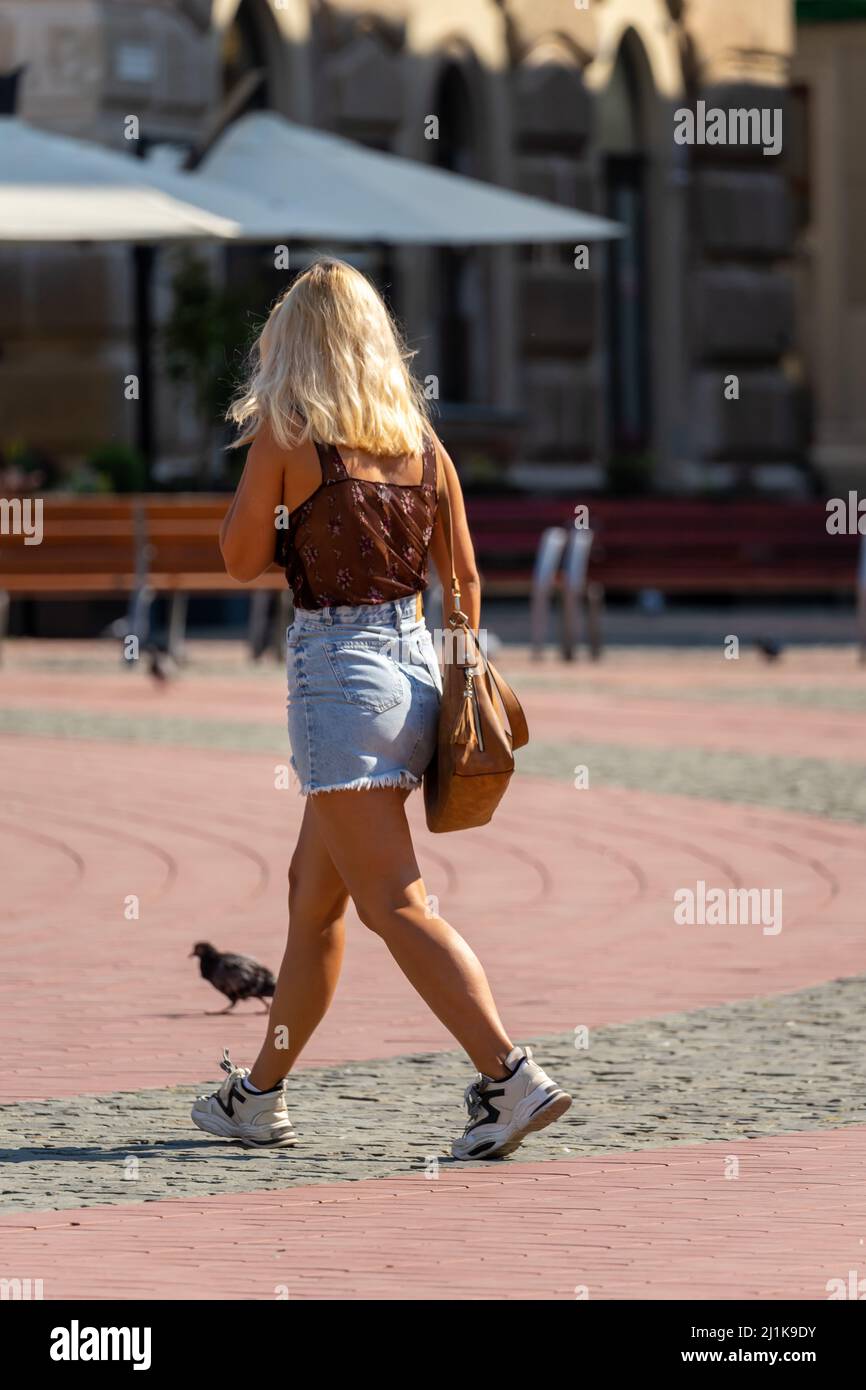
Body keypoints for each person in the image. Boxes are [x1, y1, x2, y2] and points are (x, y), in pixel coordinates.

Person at [191, 258, 571, 1159]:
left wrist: (278, 497)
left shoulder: (290, 436)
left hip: (340, 675)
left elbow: (239, 558)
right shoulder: (418, 440)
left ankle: (509, 1077)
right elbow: (464, 579)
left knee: (395, 905)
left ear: (294, 347)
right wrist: (452, 677)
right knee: (313, 901)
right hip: (417, 670)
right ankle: (259, 1097)